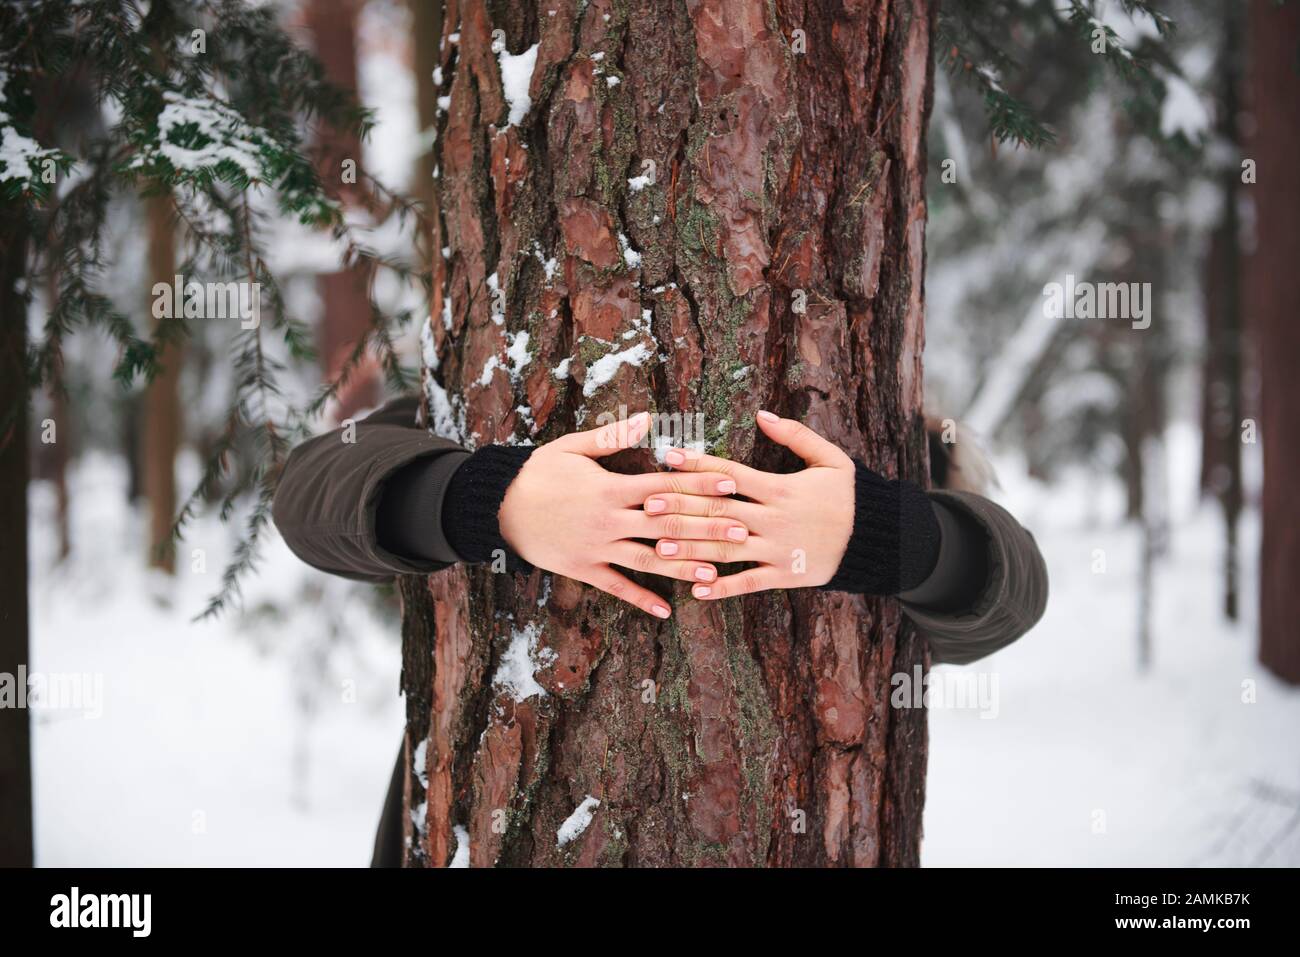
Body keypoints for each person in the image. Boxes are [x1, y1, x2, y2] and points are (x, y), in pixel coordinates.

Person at [272, 396, 1048, 864]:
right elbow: (307, 499)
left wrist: (887, 533)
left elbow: (1014, 591)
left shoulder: (895, 428)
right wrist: (487, 499)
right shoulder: (467, 384)